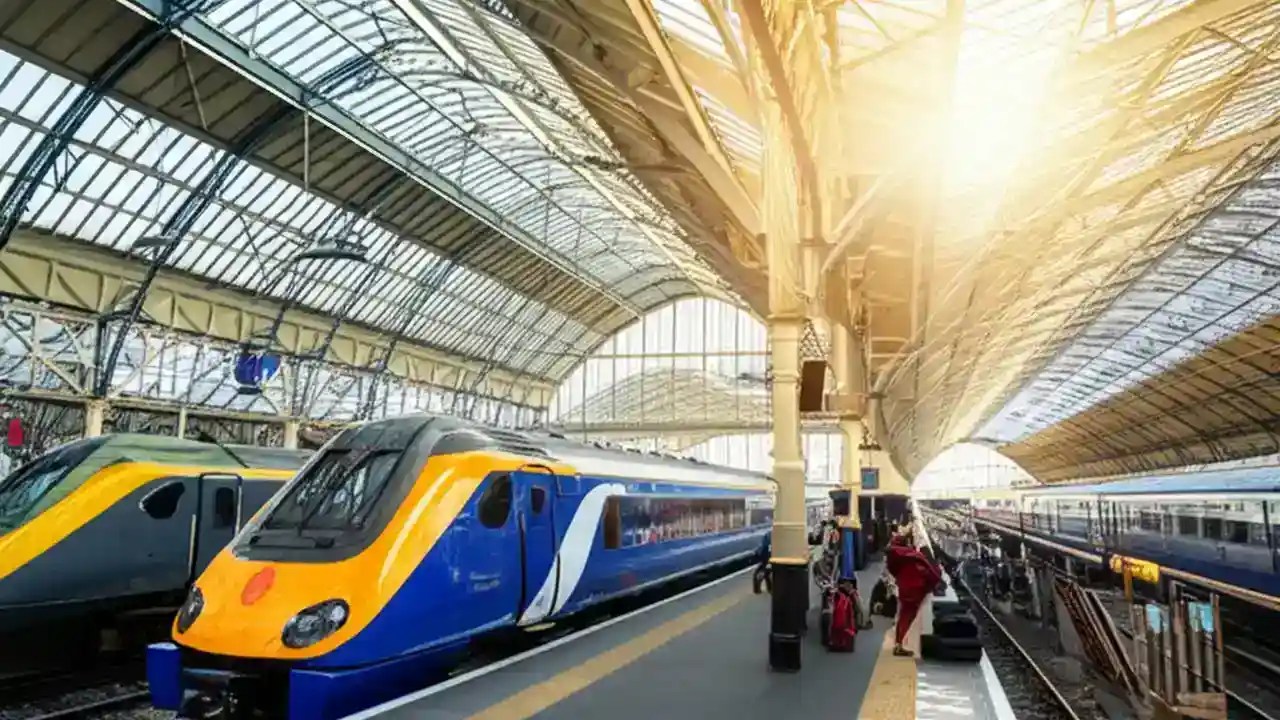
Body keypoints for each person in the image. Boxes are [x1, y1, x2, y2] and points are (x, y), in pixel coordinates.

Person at [885, 534, 942, 657]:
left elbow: (893, 571)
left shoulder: (893, 556)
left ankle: (898, 643)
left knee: (903, 615)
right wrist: (935, 583)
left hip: (904, 588)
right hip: (916, 590)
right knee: (909, 616)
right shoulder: (916, 556)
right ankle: (899, 645)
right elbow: (930, 573)